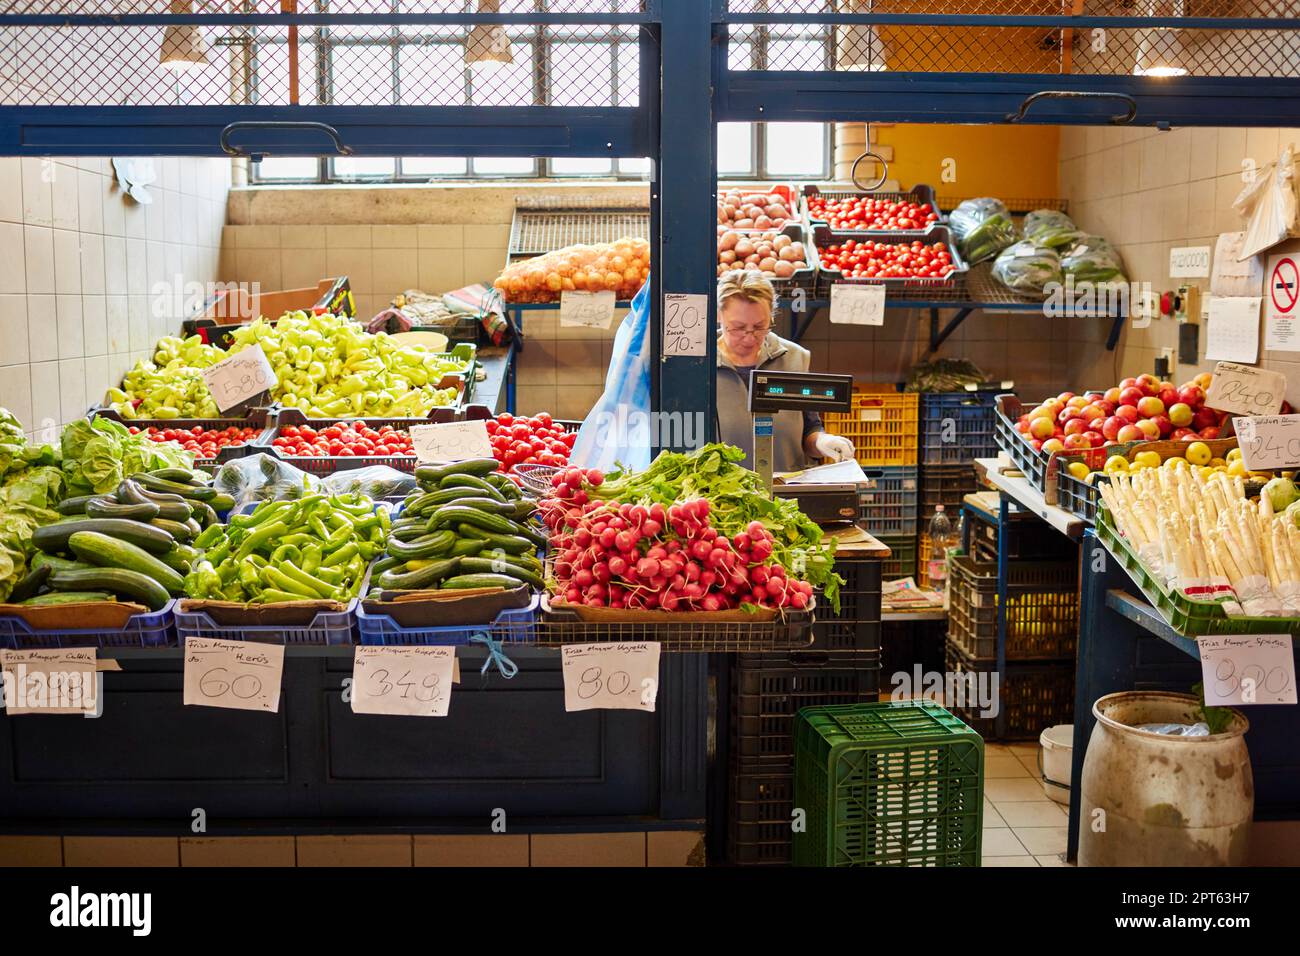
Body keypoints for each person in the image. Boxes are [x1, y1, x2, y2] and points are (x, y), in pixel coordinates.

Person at [714, 270, 856, 472]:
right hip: (720, 499)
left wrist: (823, 442)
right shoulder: (700, 365)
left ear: (771, 315)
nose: (749, 338)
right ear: (720, 316)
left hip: (784, 496)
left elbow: (809, 429)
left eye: (759, 327)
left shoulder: (794, 358)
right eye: (737, 328)